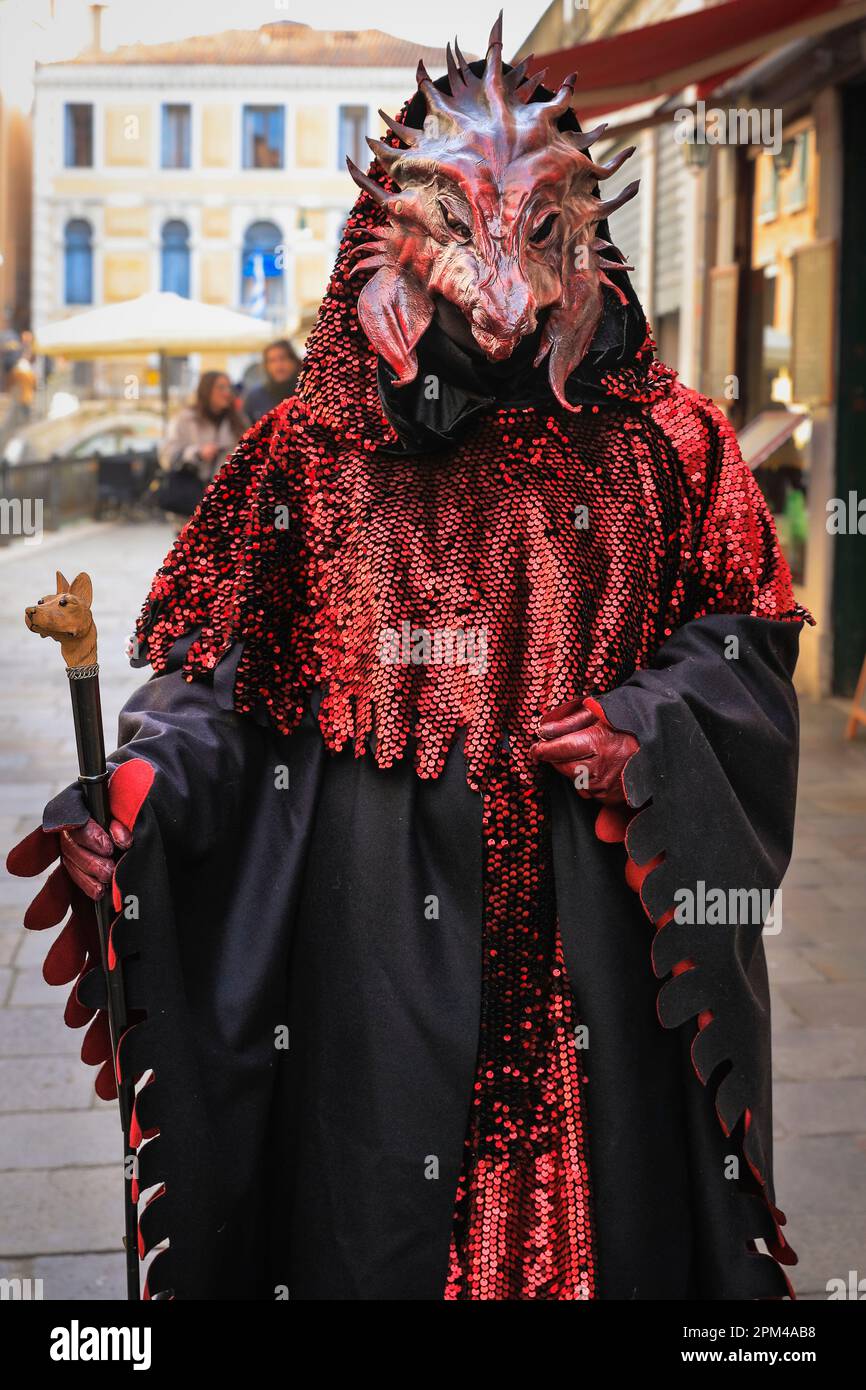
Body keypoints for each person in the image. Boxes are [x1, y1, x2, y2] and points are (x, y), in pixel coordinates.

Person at [9, 19, 808, 1301]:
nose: (502, 296)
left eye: (541, 230)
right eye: (457, 224)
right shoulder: (302, 461)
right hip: (373, 960)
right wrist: (148, 784)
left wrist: (645, 733)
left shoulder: (675, 446)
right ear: (387, 231)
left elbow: (742, 651)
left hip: (596, 969)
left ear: (586, 230)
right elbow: (219, 684)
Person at [159, 370, 248, 484]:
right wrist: (198, 452)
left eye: (228, 388)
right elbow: (167, 455)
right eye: (221, 388)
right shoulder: (185, 419)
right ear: (206, 390)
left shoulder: (239, 420)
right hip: (191, 489)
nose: (227, 392)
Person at [243, 338, 301, 423]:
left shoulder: (308, 394)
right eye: (272, 361)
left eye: (283, 358)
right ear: (266, 366)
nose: (278, 365)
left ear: (294, 362)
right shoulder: (255, 397)